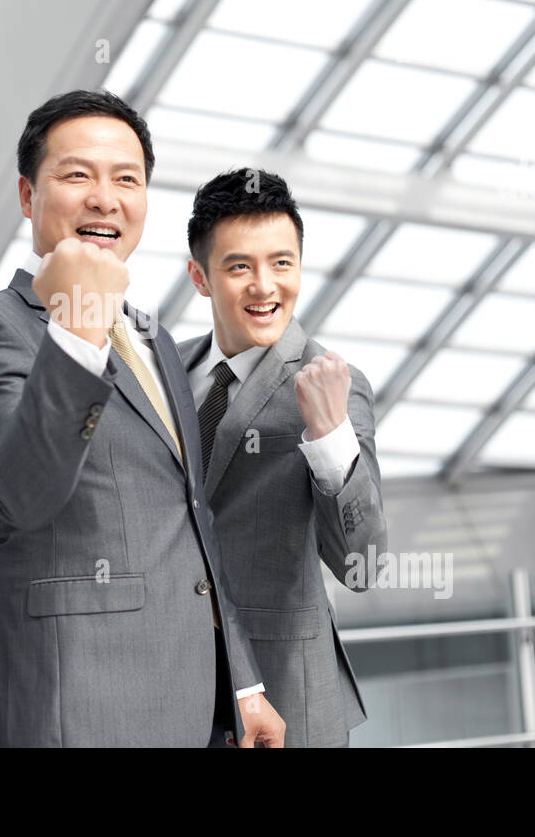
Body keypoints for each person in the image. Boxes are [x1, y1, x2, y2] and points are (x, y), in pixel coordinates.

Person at [0, 89, 284, 747]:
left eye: (126, 179)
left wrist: (243, 682)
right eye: (77, 176)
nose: (105, 199)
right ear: (26, 196)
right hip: (81, 708)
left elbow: (192, 519)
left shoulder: (153, 337)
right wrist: (75, 331)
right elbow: (21, 496)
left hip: (194, 704)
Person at [178, 168, 387, 747]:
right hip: (178, 690)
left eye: (282, 263)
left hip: (288, 698)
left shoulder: (336, 385)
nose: (264, 286)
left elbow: (362, 565)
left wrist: (329, 432)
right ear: (200, 276)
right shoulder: (166, 371)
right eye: (239, 266)